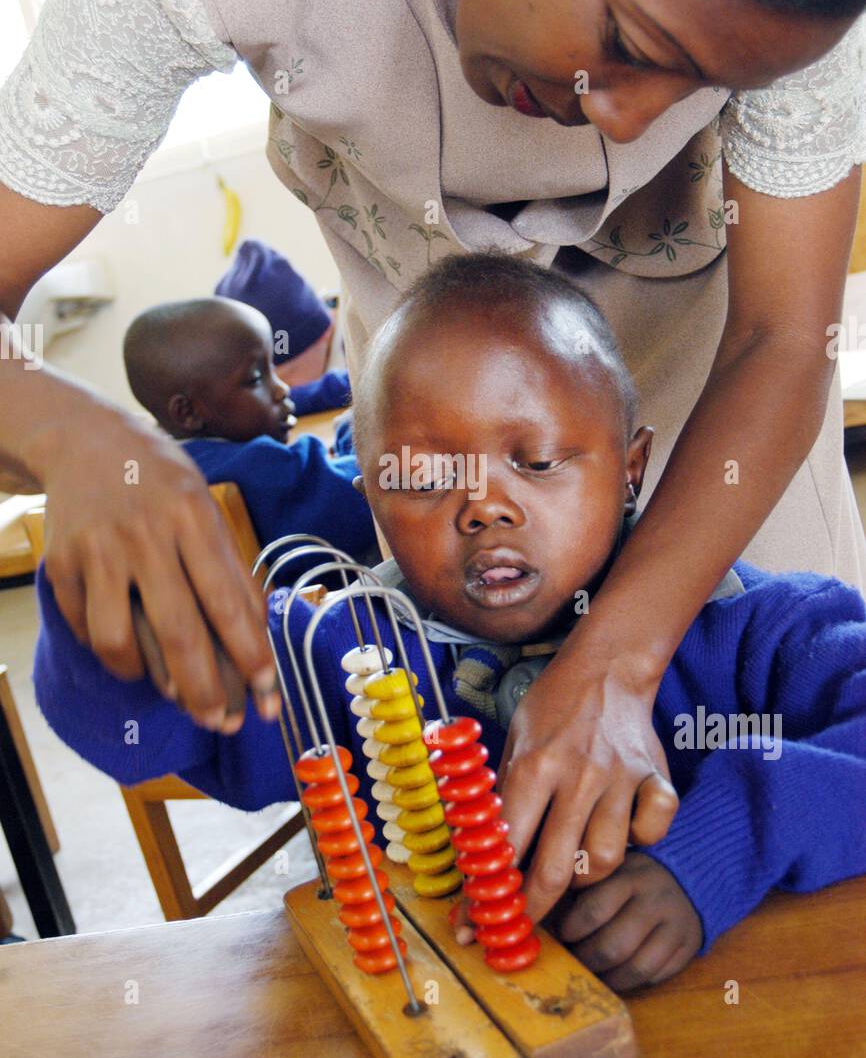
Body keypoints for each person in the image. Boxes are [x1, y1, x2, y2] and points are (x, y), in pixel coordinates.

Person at [3, 0, 866, 874]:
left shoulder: (754, 635)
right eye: (631, 41)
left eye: (699, 90)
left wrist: (627, 667)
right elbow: (141, 710)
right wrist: (80, 443)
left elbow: (781, 337)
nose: (636, 118)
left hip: (721, 446)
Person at [33, 252, 866, 992]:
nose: (484, 506)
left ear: (631, 467)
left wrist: (719, 851)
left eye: (535, 461)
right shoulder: (344, 659)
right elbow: (139, 727)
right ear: (368, 493)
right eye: (423, 476)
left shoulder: (753, 627)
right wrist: (110, 612)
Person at [122, 296, 377, 577]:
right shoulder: (257, 467)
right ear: (188, 413)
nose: (281, 389)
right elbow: (367, 496)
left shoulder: (155, 466)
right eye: (257, 378)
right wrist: (353, 433)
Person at [213, 238, 352, 412]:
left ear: (324, 332)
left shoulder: (358, 336)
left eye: (285, 378)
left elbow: (365, 385)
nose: (278, 390)